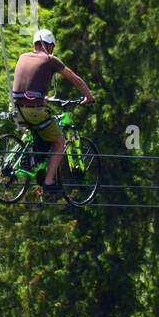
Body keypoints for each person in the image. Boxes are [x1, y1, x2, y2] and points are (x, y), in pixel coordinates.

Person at [11, 28, 94, 198]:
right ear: (49, 45)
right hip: (35, 111)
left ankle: (34, 160)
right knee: (59, 142)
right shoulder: (50, 60)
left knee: (40, 130)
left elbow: (28, 85)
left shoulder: (22, 57)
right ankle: (48, 183)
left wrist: (42, 98)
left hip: (17, 109)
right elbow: (75, 79)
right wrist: (88, 96)